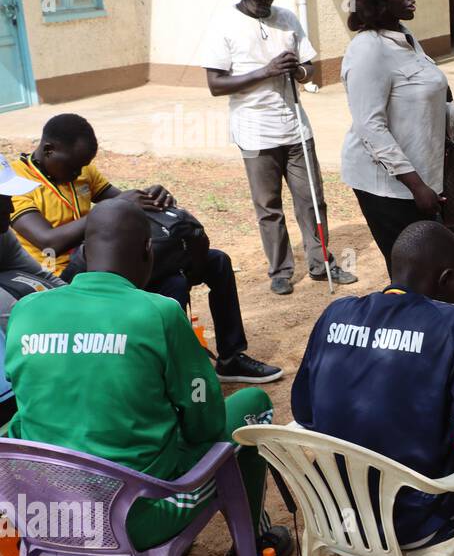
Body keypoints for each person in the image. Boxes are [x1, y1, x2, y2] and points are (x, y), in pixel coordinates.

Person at [4, 199, 291, 556]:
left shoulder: (27, 310)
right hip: (140, 515)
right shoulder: (158, 312)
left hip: (50, 513)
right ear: (148, 253)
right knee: (252, 406)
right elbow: (205, 423)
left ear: (84, 253)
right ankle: (253, 551)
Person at [293, 222, 454, 556]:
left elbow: (303, 411)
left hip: (333, 510)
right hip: (411, 521)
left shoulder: (335, 312)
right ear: (446, 279)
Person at [10, 114, 281, 383]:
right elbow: (49, 241)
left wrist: (151, 197)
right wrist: (109, 209)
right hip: (64, 277)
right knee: (172, 283)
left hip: (103, 261)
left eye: (84, 166)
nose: (79, 173)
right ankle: (170, 371)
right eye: (74, 166)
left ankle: (229, 358)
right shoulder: (19, 181)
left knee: (215, 263)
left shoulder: (81, 172)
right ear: (49, 150)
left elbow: (125, 205)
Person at [340, 0, 454, 315]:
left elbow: (427, 101)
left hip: (426, 175)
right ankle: (408, 335)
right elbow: (371, 127)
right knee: (413, 272)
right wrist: (417, 187)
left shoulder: (407, 40)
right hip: (388, 184)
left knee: (450, 249)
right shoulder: (368, 49)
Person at [198, 0, 355, 295]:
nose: (266, 2)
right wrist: (264, 72)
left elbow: (311, 69)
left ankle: (321, 263)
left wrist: (298, 71)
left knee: (312, 200)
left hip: (295, 127)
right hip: (255, 130)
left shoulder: (287, 19)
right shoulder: (224, 24)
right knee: (269, 207)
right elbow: (215, 84)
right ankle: (281, 270)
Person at [0, 155, 62, 427]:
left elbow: (45, 276)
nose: (11, 206)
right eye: (2, 198)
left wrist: (87, 311)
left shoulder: (2, 235)